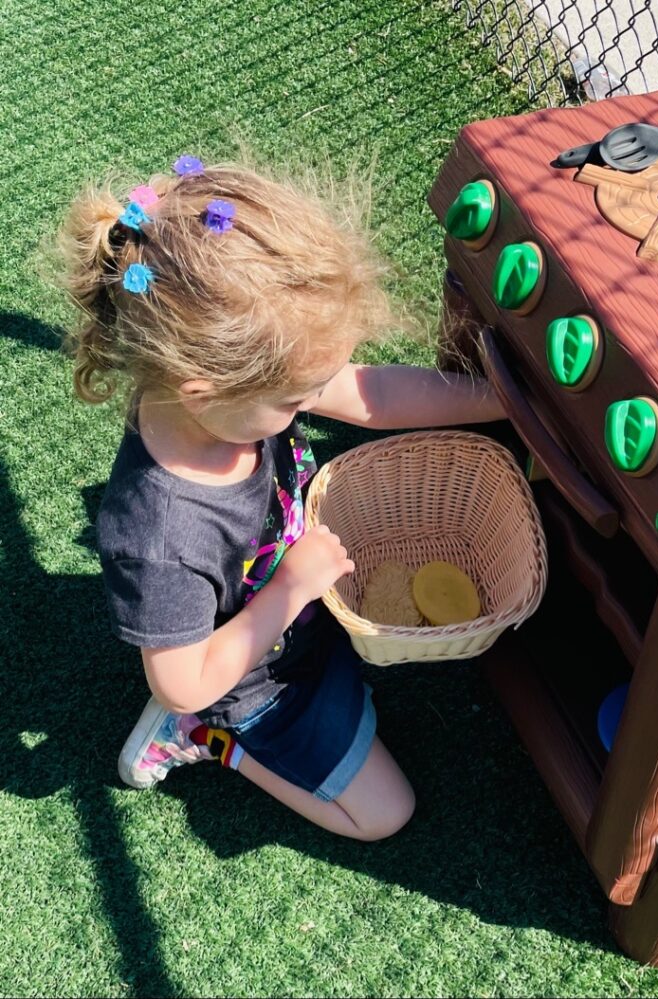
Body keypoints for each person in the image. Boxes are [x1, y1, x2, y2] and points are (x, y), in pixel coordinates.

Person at [57, 156, 504, 840]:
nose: (312, 404)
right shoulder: (161, 534)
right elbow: (184, 678)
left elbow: (367, 394)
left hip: (303, 608)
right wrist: (292, 587)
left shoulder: (229, 380)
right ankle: (207, 743)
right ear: (205, 388)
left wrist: (497, 400)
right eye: (298, 399)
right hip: (250, 681)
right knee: (385, 815)